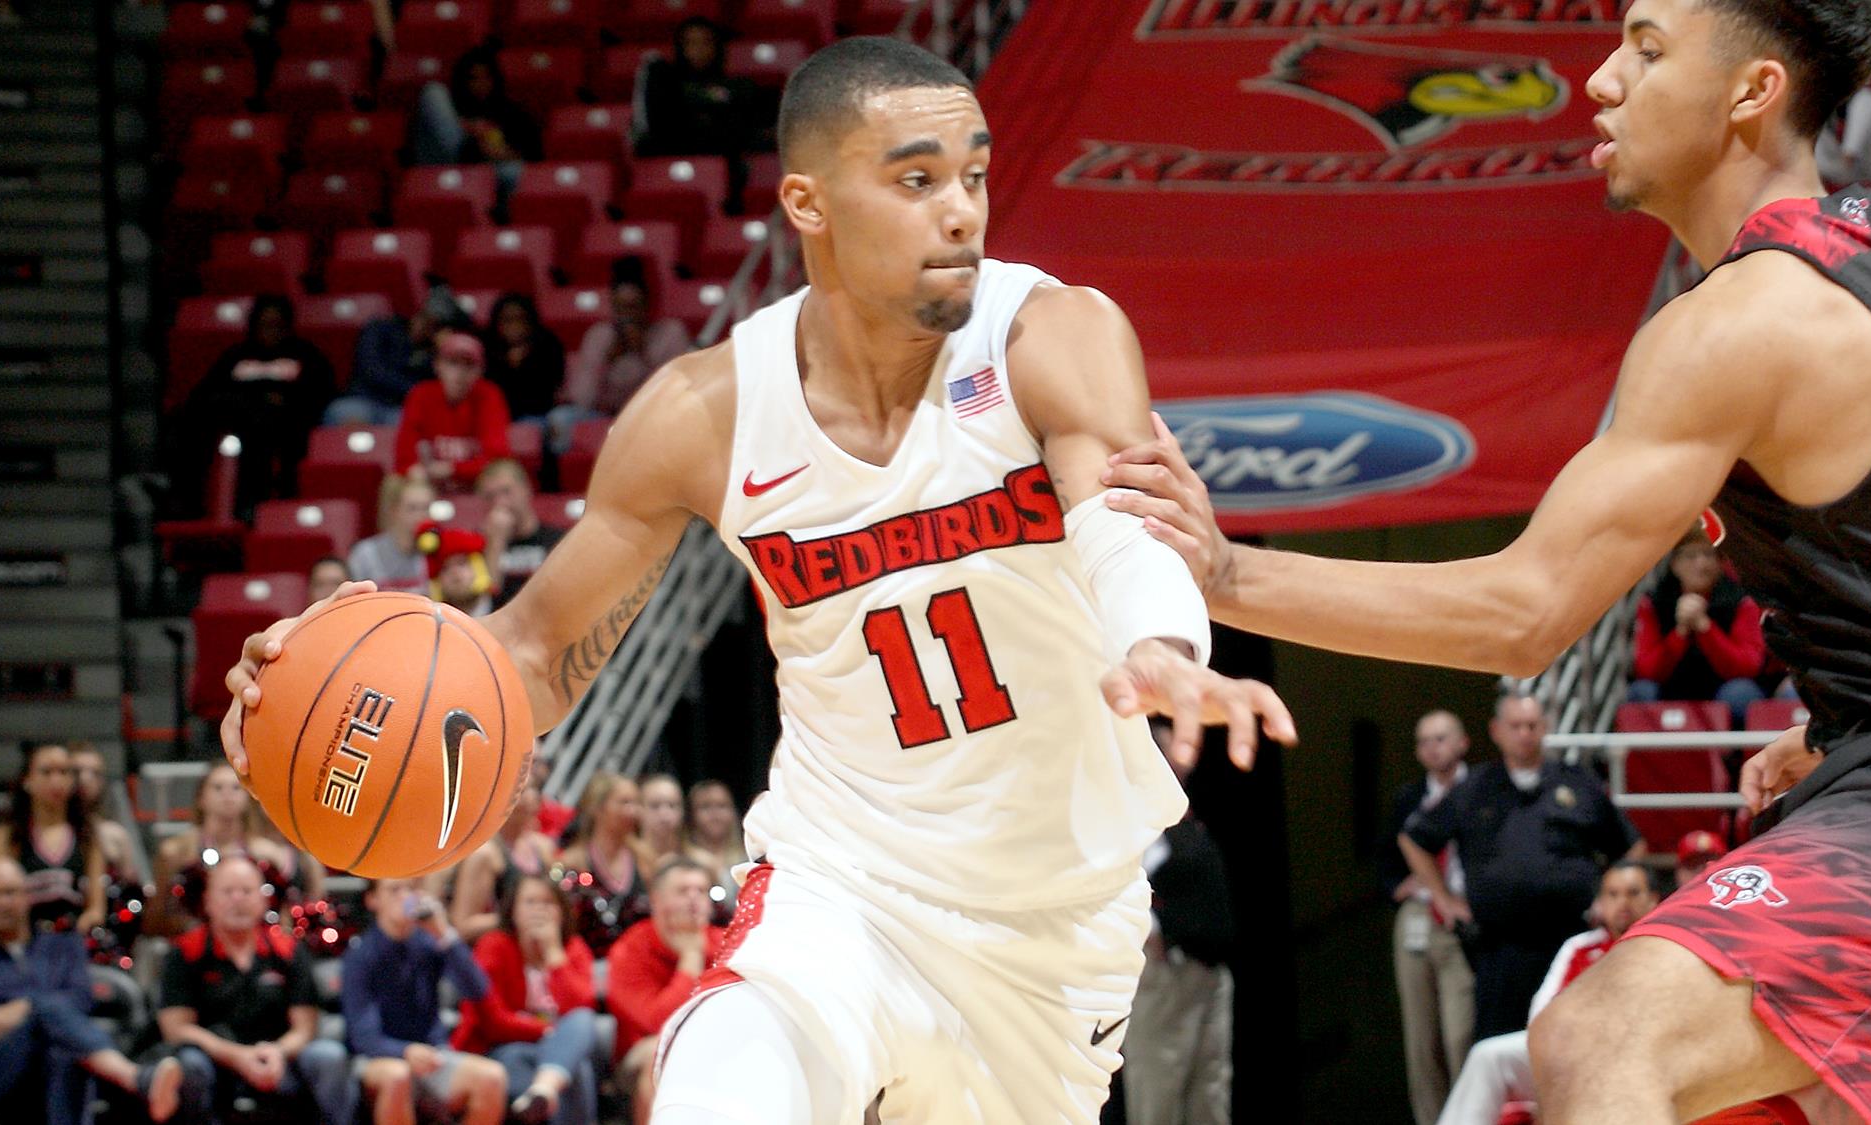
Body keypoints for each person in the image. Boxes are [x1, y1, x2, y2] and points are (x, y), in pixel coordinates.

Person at [220, 34, 1288, 1123]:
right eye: (915, 180)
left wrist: (1161, 639)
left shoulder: (1051, 334)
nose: (960, 211)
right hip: (841, 890)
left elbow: (1120, 515)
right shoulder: (705, 415)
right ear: (807, 204)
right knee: (725, 1069)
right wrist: (322, 690)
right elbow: (532, 658)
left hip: (1053, 939)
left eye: (971, 174)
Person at [1101, 0, 1871, 1115]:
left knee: (1605, 1038)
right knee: (1820, 1088)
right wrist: (1852, 716)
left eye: (1645, 51)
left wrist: (1226, 573)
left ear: (1751, 93)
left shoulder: (1735, 324)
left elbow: (1525, 612)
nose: (1598, 80)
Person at [1397, 696, 1642, 1042]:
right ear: (1496, 731)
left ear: (1545, 728)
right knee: (1499, 1049)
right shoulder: (1475, 788)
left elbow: (1630, 846)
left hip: (1569, 939)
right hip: (1501, 949)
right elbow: (1414, 840)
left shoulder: (1576, 782)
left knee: (1578, 1042)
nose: (1525, 734)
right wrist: (1444, 898)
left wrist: (1610, 898)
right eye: (1516, 726)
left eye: (1532, 725)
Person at [0, 856, 183, 1124]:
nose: (4, 902)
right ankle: (134, 1077)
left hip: (62, 1058)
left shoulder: (65, 946)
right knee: (53, 1014)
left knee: (62, 1050)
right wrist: (38, 1009)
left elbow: (82, 1000)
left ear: (26, 897)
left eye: (11, 892)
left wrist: (26, 1010)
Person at [1435, 861, 1661, 1125]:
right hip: (1567, 1054)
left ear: (1654, 900)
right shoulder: (1579, 947)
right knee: (1489, 1055)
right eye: (1612, 894)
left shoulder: (1663, 949)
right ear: (1601, 901)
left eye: (1633, 893)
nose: (1623, 902)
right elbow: (1540, 1013)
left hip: (1631, 1057)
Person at [159, 855, 355, 1125]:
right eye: (228, 891)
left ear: (263, 900)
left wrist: (277, 1052)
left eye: (247, 891)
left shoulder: (288, 950)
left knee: (329, 1056)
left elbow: (305, 1027)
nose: (237, 899)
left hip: (277, 1061)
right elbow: (176, 1028)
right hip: (215, 1061)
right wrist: (237, 1056)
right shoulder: (184, 952)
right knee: (188, 1064)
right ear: (208, 900)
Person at [1122, 721, 1234, 1125]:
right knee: (1159, 1091)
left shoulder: (1181, 810)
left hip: (1208, 969)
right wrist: (1150, 932)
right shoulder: (1131, 810)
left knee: (1210, 1088)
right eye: (1172, 751)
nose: (1183, 760)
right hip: (1168, 973)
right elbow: (1120, 876)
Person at [343, 877, 509, 1125]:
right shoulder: (361, 954)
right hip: (378, 1058)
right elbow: (363, 1037)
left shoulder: (428, 942)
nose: (404, 896)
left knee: (492, 1077)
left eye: (411, 888)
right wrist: (404, 1051)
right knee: (398, 1076)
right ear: (372, 899)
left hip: (432, 1055)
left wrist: (445, 934)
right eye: (394, 889)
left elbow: (477, 990)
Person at [1381, 710, 1476, 1125]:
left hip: (1465, 918)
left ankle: (1472, 1116)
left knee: (1462, 1034)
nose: (1431, 748)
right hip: (1418, 917)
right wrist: (1396, 886)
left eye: (1440, 738)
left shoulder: (1483, 789)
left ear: (1462, 742)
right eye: (1423, 741)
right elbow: (1385, 851)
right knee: (1421, 1038)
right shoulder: (1408, 797)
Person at [452, 874, 598, 1125]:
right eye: (530, 902)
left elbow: (581, 1009)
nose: (539, 910)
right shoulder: (494, 945)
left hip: (557, 1050)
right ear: (513, 911)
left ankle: (543, 1090)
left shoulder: (573, 948)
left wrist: (554, 954)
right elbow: (493, 1021)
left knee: (581, 1040)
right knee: (551, 1065)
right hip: (500, 1048)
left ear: (562, 911)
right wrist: (552, 1030)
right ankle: (545, 1089)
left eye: (548, 903)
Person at [174, 294, 336, 519]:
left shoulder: (305, 355)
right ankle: (189, 503)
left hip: (286, 427)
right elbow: (205, 395)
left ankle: (265, 507)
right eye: (264, 324)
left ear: (287, 326)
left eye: (276, 325)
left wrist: (283, 403)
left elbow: (321, 395)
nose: (270, 330)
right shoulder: (236, 356)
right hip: (238, 423)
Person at [605, 857, 726, 1125]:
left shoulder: (727, 943)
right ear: (657, 900)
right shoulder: (630, 949)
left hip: (713, 1043)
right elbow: (656, 1022)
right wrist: (690, 960)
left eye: (701, 891)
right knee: (664, 1049)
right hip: (641, 1053)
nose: (694, 899)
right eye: (683, 891)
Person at [150, 761, 320, 936]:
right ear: (201, 798)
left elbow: (287, 914)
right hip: (194, 946)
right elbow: (156, 914)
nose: (227, 794)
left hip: (257, 946)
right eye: (218, 788)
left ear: (248, 797)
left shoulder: (269, 855)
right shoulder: (175, 852)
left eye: (236, 788)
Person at [551, 263, 693, 454]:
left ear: (647, 305)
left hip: (650, 414)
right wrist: (607, 360)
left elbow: (675, 392)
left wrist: (644, 355)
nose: (627, 316)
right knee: (559, 418)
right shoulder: (600, 335)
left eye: (633, 307)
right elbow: (582, 399)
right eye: (620, 308)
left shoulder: (670, 333)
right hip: (604, 414)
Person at [1629, 532, 1768, 723]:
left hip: (1722, 686)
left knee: (1742, 692)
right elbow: (1646, 669)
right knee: (1642, 692)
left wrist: (1705, 628)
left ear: (1720, 563)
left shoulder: (1741, 601)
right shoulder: (1654, 602)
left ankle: (1732, 752)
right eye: (1691, 556)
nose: (1701, 564)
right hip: (1672, 685)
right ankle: (1655, 753)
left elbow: (1749, 665)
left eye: (1708, 555)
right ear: (1674, 563)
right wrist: (1680, 632)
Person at [637, 17, 764, 212]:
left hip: (724, 181)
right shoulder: (663, 84)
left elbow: (743, 132)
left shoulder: (741, 88)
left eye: (705, 42)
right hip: (669, 174)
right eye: (690, 43)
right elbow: (657, 131)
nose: (697, 50)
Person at [0, 739, 105, 936]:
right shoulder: (7, 837)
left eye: (64, 772)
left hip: (73, 943)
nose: (56, 781)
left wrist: (77, 931)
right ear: (27, 780)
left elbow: (96, 909)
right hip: (24, 943)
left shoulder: (88, 835)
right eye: (46, 772)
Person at [411, 46, 543, 200]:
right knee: (433, 91)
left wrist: (496, 153)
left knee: (514, 172)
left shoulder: (511, 111)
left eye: (486, 77)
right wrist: (466, 126)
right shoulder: (453, 107)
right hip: (444, 164)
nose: (481, 84)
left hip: (484, 170)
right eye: (474, 78)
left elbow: (532, 157)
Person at [325, 287, 464, 427]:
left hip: (402, 408)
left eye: (434, 325)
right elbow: (372, 371)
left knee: (417, 425)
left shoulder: (435, 353)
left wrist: (444, 351)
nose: (423, 325)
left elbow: (443, 389)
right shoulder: (381, 328)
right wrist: (414, 389)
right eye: (424, 317)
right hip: (363, 398)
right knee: (350, 419)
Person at [395, 328, 512, 491]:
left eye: (469, 365)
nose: (460, 373)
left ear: (480, 371)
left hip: (478, 489)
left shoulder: (489, 395)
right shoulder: (421, 395)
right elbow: (404, 460)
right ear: (438, 365)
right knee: (396, 483)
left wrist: (451, 469)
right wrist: (420, 474)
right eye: (453, 363)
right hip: (428, 487)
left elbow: (496, 461)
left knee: (504, 476)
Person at [449, 776, 559, 941]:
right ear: (499, 797)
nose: (532, 796)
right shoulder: (485, 854)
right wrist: (514, 916)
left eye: (534, 789)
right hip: (494, 951)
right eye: (522, 790)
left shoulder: (543, 847)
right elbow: (463, 925)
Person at [555, 771, 650, 956]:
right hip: (590, 963)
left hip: (636, 961)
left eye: (636, 803)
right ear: (597, 808)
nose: (633, 811)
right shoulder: (572, 862)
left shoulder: (645, 859)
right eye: (624, 802)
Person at [476, 457, 567, 609]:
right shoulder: (478, 547)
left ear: (526, 489)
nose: (500, 502)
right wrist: (496, 544)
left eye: (506, 492)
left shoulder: (559, 540)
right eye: (490, 497)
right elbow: (484, 604)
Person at [484, 292, 567, 423]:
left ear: (531, 322)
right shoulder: (486, 348)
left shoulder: (548, 345)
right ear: (497, 323)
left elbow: (549, 391)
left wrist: (523, 365)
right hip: (495, 417)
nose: (515, 327)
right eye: (508, 320)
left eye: (520, 319)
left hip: (539, 417)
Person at [347, 471, 435, 594]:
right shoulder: (365, 554)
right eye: (412, 508)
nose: (421, 516)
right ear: (393, 510)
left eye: (426, 508)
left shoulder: (434, 552)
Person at [67, 740, 140, 888]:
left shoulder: (116, 835)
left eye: (95, 773)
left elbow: (129, 889)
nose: (85, 779)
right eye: (76, 771)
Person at [681, 779, 748, 914]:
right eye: (705, 806)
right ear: (691, 815)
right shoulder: (682, 860)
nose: (715, 814)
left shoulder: (748, 858)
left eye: (722, 806)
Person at [417, 520, 494, 616]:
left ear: (479, 568)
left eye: (461, 563)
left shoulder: (504, 607)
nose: (454, 572)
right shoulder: (428, 619)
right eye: (445, 568)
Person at [632, 772, 686, 881]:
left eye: (672, 805)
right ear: (639, 808)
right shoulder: (626, 859)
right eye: (655, 806)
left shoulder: (697, 860)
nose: (665, 814)